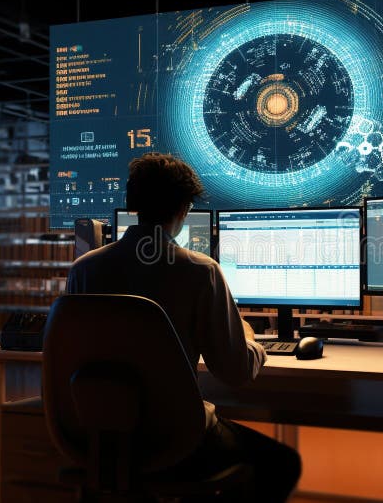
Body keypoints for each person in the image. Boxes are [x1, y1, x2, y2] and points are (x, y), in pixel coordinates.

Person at [66, 152, 301, 502]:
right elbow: (235, 371)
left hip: (98, 436)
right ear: (185, 210)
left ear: (131, 203)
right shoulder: (200, 271)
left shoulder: (84, 269)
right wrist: (251, 340)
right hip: (176, 439)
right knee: (282, 464)